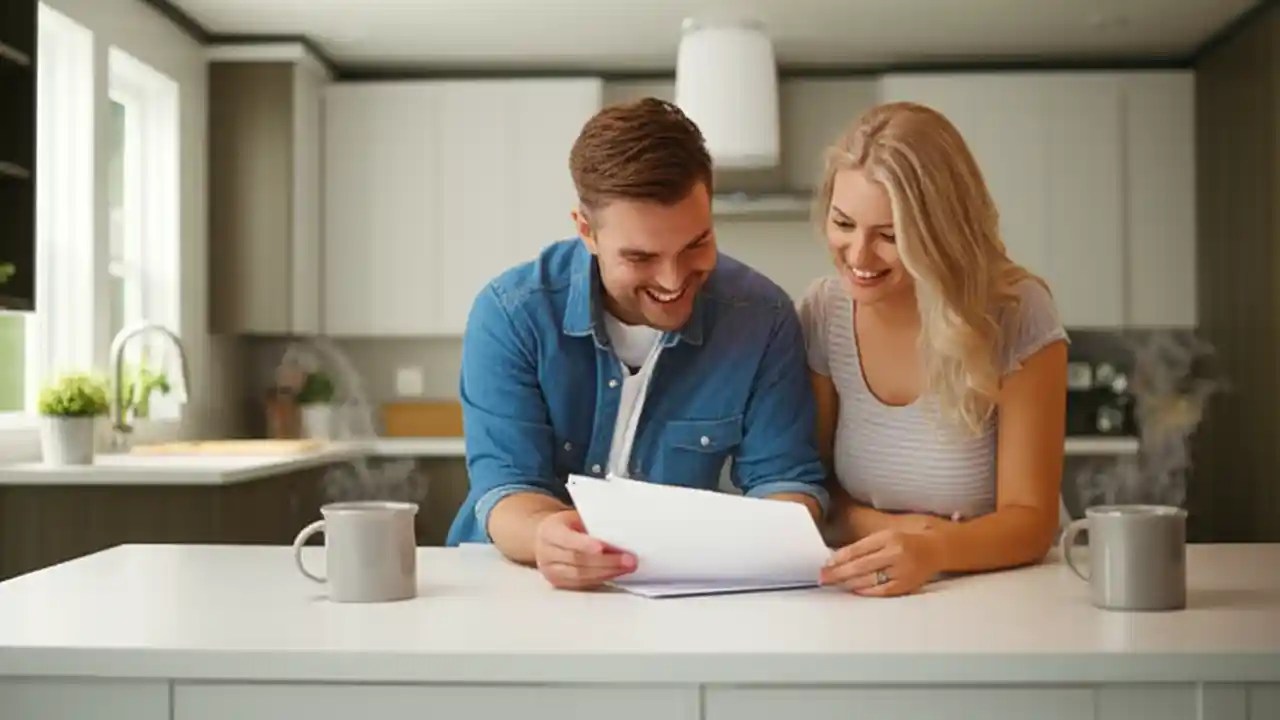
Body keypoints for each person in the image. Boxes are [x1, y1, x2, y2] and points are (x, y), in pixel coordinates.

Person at [445, 97, 829, 590]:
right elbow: (506, 489)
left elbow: (786, 482)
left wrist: (771, 536)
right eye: (641, 257)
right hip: (516, 585)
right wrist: (547, 535)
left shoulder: (763, 319)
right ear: (587, 231)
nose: (672, 281)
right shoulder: (511, 314)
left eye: (696, 245)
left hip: (678, 595)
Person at [799, 102, 1069, 597]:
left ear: (939, 233)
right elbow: (814, 492)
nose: (858, 256)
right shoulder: (823, 312)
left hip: (1001, 595)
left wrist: (937, 549)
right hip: (870, 595)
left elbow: (1032, 520)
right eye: (843, 223)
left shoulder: (1016, 311)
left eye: (890, 236)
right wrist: (893, 534)